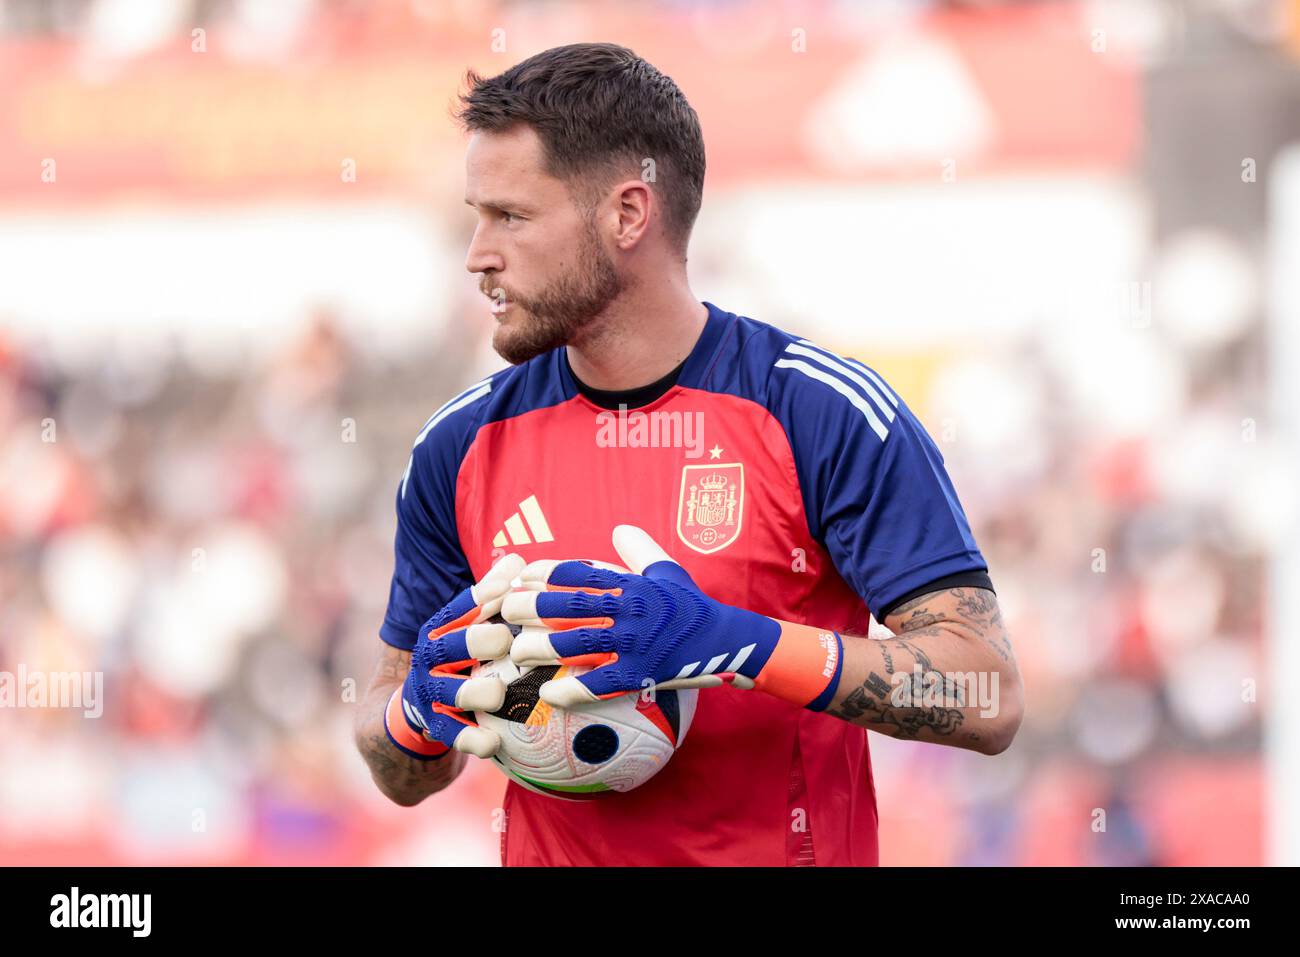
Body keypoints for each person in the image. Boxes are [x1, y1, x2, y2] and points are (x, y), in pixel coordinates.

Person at [353, 42, 1023, 866]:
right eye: (475, 216)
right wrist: (414, 711)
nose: (477, 255)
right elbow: (402, 768)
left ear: (628, 214)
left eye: (511, 216)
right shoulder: (457, 447)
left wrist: (736, 644)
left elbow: (986, 694)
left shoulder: (818, 412)